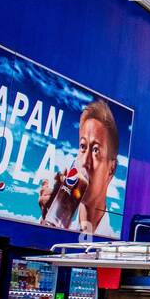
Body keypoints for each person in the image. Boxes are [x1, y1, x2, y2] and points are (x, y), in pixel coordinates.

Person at [38, 99, 122, 237]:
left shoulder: (112, 245)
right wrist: (46, 222)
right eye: (83, 147)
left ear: (111, 169)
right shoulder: (61, 223)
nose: (85, 162)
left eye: (96, 150)